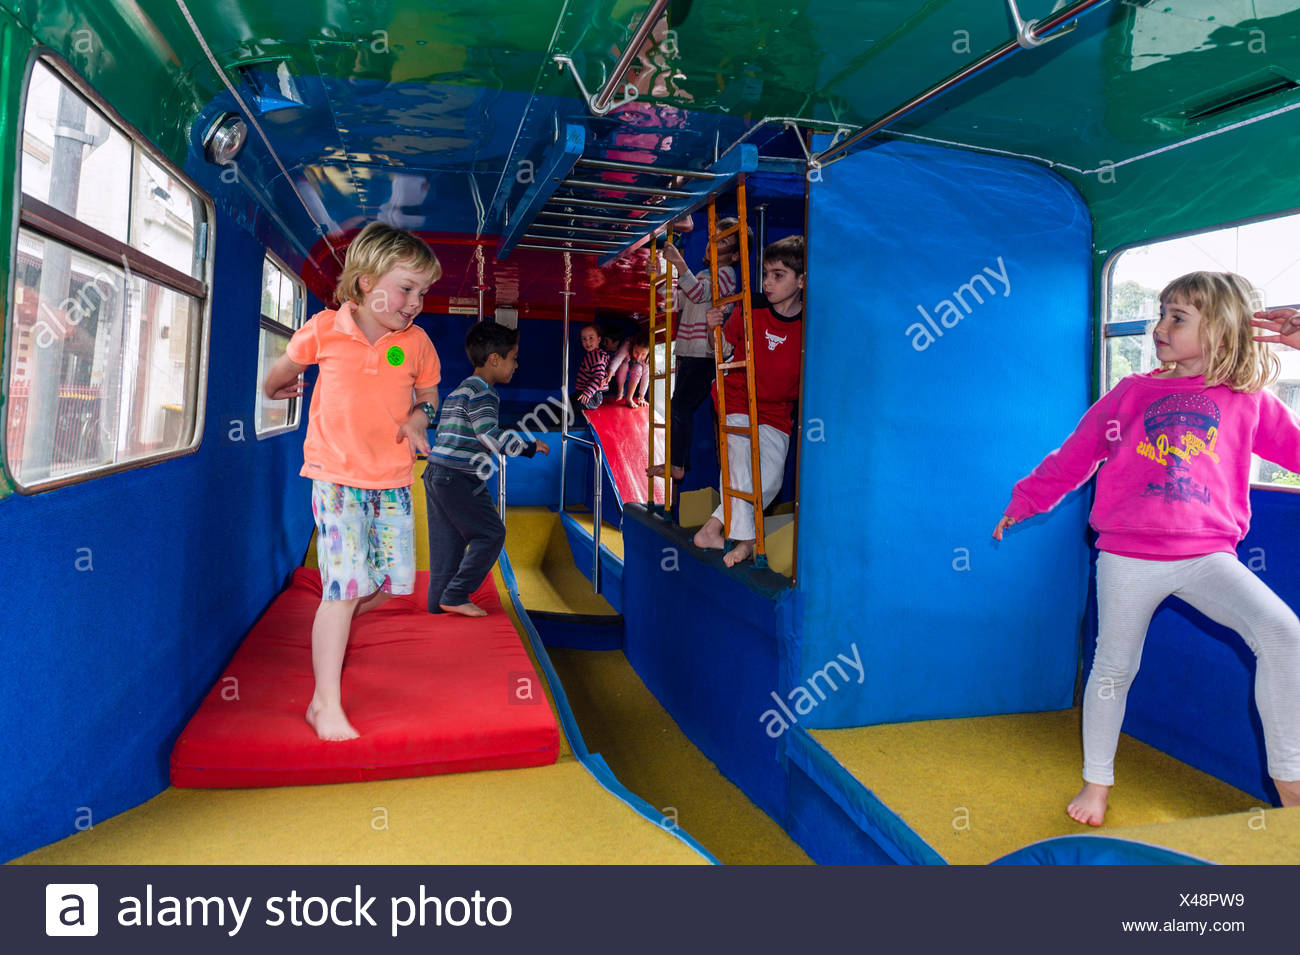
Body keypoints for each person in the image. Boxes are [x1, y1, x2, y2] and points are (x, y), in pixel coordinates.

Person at [993, 272, 1300, 826]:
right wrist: (1026, 500)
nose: (1159, 327)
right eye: (1161, 313)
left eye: (1177, 318)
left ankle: (1291, 783)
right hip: (1129, 556)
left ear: (1222, 330)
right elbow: (1076, 456)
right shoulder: (1131, 394)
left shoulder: (1247, 400)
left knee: (1283, 633)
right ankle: (1097, 783)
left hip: (1208, 556)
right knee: (1113, 667)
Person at [262, 222, 442, 741]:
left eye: (423, 293)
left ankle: (335, 620)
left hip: (391, 480)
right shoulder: (323, 329)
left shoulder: (416, 342)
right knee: (341, 590)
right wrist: (279, 389)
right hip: (336, 477)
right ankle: (324, 704)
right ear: (365, 282)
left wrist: (417, 418)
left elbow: (429, 396)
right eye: (407, 289)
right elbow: (275, 377)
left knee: (390, 584)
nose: (415, 303)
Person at [692, 235, 804, 568]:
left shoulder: (809, 326)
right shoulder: (750, 306)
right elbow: (722, 352)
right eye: (766, 273)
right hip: (737, 397)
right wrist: (715, 329)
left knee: (769, 480)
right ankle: (746, 542)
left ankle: (713, 527)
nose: (768, 282)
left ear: (801, 281)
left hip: (776, 411)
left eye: (778, 275)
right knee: (740, 465)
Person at [425, 322, 548, 617]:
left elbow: (447, 432)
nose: (515, 366)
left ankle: (438, 605)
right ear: (495, 359)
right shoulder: (484, 393)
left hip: (436, 474)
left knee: (448, 545)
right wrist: (529, 447)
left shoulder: (459, 390)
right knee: (491, 534)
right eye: (513, 359)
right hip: (458, 476)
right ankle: (455, 594)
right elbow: (489, 436)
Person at [649, 218, 746, 480]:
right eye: (713, 237)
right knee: (679, 408)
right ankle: (677, 463)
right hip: (688, 351)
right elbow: (674, 303)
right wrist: (659, 275)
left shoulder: (726, 275)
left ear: (735, 254)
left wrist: (679, 264)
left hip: (703, 354)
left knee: (680, 407)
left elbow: (696, 293)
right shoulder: (703, 275)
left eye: (722, 241)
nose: (712, 244)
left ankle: (678, 466)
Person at [570, 323, 609, 421]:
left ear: (599, 339)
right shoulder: (592, 354)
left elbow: (598, 377)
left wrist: (588, 393)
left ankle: (560, 428)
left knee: (569, 409)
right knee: (566, 403)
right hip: (586, 392)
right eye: (584, 339)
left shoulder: (597, 356)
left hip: (593, 396)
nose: (587, 342)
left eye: (591, 338)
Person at [615, 331, 651, 408]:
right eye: (636, 352)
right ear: (633, 347)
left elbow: (646, 377)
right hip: (620, 376)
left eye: (643, 354)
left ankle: (629, 398)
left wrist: (641, 397)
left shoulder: (647, 359)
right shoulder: (627, 346)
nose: (638, 357)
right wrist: (610, 372)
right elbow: (617, 360)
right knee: (623, 365)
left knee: (638, 368)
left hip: (633, 379)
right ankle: (620, 391)